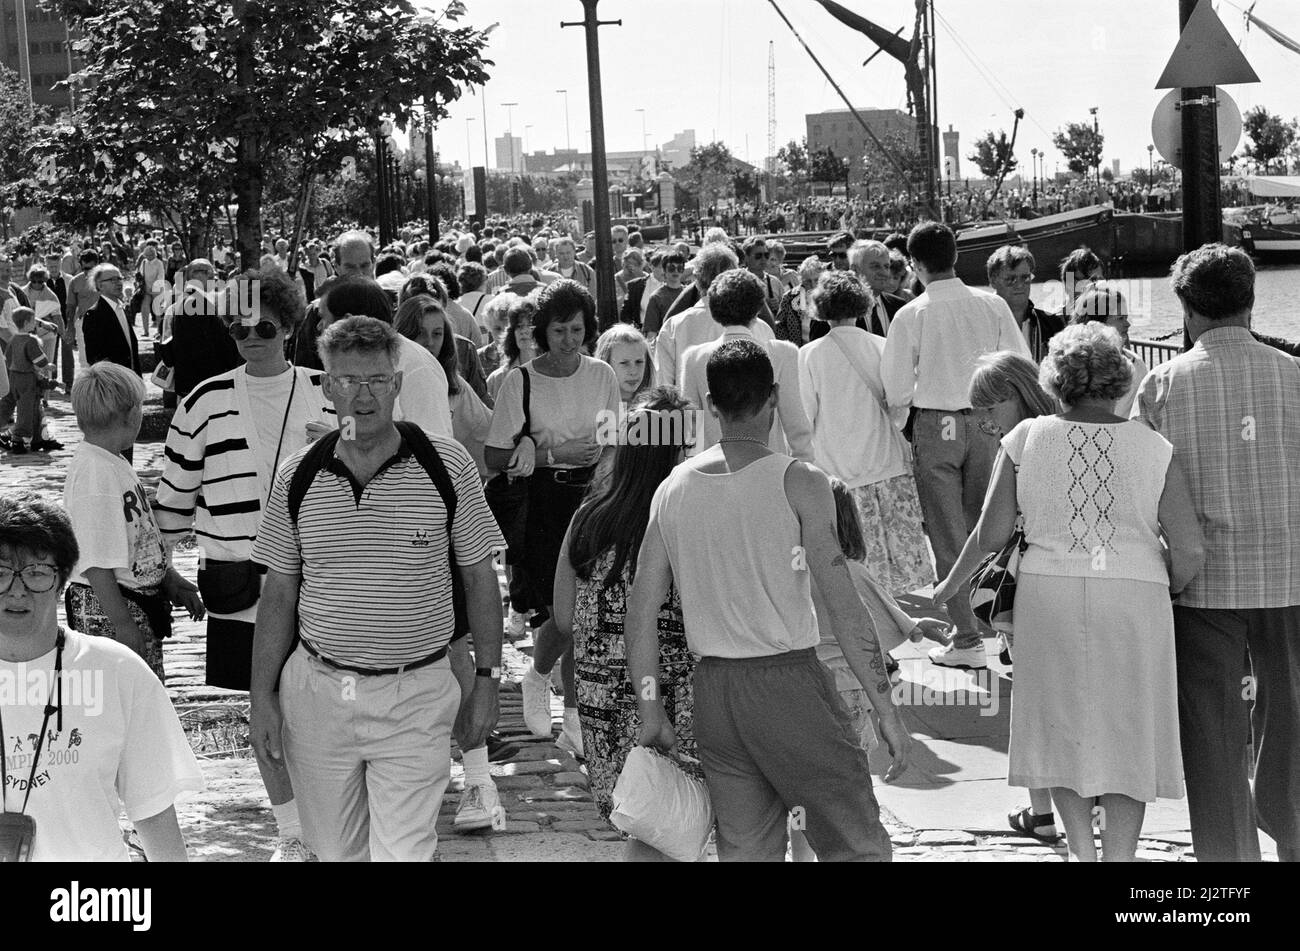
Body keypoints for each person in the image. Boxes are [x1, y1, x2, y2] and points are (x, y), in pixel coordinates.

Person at [626, 339, 911, 861]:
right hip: (789, 682)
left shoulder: (673, 488)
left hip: (715, 686)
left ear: (711, 403)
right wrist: (885, 708)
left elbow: (640, 610)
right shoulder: (800, 481)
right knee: (856, 841)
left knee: (745, 848)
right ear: (774, 397)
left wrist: (651, 709)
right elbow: (845, 606)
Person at [248, 316, 505, 862]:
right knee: (336, 853)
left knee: (405, 852)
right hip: (319, 694)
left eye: (377, 380)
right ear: (326, 386)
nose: (362, 395)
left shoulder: (447, 465)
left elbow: (481, 578)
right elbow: (278, 594)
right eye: (346, 381)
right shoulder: (298, 476)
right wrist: (261, 697)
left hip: (416, 693)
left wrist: (487, 679)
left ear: (397, 384)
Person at [958, 324, 1203, 860]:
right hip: (1135, 595)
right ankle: (1120, 859)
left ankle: (1080, 853)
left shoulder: (1024, 439)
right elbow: (1188, 548)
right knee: (1129, 730)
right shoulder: (1155, 447)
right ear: (1119, 382)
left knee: (1058, 725)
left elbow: (993, 534)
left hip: (1048, 595)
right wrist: (1168, 585)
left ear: (1055, 382)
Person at [154, 268, 332, 861]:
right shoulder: (204, 400)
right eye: (237, 327)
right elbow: (173, 502)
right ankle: (292, 833)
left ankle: (328, 819)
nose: (250, 337)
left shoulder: (327, 390)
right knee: (264, 708)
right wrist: (163, 568)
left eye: (262, 326)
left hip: (321, 579)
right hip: (236, 581)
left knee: (324, 703)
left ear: (289, 325)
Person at [1132, 244, 1300, 863]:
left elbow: (1145, 487)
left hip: (1202, 581)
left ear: (1186, 308)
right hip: (1292, 573)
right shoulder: (1296, 375)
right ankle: (1293, 831)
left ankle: (1229, 864)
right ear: (1250, 300)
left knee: (1211, 731)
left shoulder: (1162, 385)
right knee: (1294, 722)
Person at [0, 491, 205, 861]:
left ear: (63, 581)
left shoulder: (117, 671)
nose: (17, 590)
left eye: (36, 573)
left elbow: (154, 811)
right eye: (0, 573)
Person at [551, 389, 699, 858]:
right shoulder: (681, 517)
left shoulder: (588, 516)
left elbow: (561, 616)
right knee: (674, 823)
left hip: (600, 698)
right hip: (671, 689)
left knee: (646, 821)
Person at [881, 222, 1031, 670]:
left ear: (915, 264)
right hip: (987, 420)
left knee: (948, 533)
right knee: (997, 528)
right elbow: (1019, 363)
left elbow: (895, 388)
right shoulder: (993, 305)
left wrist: (906, 421)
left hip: (937, 423)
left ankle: (966, 637)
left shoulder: (912, 313)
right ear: (955, 255)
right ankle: (1007, 630)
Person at [486, 280, 619, 758]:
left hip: (594, 498)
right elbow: (494, 454)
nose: (568, 339)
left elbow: (613, 440)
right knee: (562, 614)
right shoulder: (520, 381)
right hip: (543, 503)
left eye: (577, 329)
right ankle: (537, 676)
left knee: (587, 614)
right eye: (559, 330)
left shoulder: (602, 373)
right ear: (542, 331)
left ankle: (577, 719)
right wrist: (545, 451)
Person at [63, 362, 205, 683]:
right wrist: (124, 625)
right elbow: (96, 563)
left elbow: (135, 537)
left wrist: (169, 578)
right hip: (110, 609)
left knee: (143, 698)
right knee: (125, 703)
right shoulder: (94, 473)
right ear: (131, 415)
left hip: (131, 603)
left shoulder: (113, 461)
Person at [798, 273, 931, 595]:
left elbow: (804, 417)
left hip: (840, 473)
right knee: (896, 571)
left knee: (856, 569)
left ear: (821, 307)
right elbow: (901, 404)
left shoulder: (809, 355)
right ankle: (896, 627)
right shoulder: (882, 346)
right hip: (887, 465)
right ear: (863, 304)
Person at [680, 269, 812, 461]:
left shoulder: (693, 358)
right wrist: (803, 471)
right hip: (771, 472)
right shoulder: (783, 353)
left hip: (714, 473)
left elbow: (689, 430)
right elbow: (797, 428)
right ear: (758, 308)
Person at [320, 278, 452, 436]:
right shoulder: (346, 365)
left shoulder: (418, 369)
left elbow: (432, 448)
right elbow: (353, 432)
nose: (320, 326)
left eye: (324, 318)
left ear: (347, 320)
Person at [394, 295, 492, 479]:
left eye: (437, 334)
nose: (429, 342)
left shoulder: (456, 386)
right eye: (420, 332)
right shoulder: (383, 381)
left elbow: (489, 430)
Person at [654, 244, 774, 390]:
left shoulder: (673, 326)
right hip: (747, 410)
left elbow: (664, 388)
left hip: (690, 411)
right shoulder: (761, 327)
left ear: (696, 280)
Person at [1069, 284, 1146, 419]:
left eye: (1126, 317)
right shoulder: (1071, 364)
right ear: (1099, 323)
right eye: (1120, 318)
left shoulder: (1136, 365)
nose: (1128, 324)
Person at [986, 245, 1064, 363]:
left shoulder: (1052, 324)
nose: (1019, 285)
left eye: (1025, 278)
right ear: (993, 281)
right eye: (1010, 279)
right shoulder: (981, 321)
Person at [0, 308, 59, 454]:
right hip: (27, 379)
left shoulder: (13, 338)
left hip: (13, 376)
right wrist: (47, 366)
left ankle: (37, 438)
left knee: (10, 404)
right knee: (27, 409)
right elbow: (39, 359)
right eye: (33, 321)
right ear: (27, 323)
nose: (34, 323)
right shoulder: (31, 340)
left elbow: (8, 358)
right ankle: (18, 439)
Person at [81, 264, 140, 374]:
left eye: (119, 278)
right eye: (112, 280)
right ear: (100, 285)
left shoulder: (121, 308)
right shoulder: (94, 314)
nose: (118, 283)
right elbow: (94, 356)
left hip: (131, 377)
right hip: (113, 381)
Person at [594, 322, 653, 410]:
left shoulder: (655, 408)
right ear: (606, 363)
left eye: (639, 362)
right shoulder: (593, 407)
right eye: (624, 363)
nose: (633, 372)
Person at [774, 257, 824, 347]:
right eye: (808, 281)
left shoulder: (829, 297)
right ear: (801, 280)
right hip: (798, 350)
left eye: (817, 280)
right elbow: (780, 327)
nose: (813, 285)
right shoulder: (789, 297)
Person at [642, 252, 687, 340]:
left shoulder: (691, 293)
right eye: (671, 268)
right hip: (666, 346)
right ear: (664, 270)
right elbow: (651, 333)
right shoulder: (656, 297)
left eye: (680, 268)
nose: (676, 271)